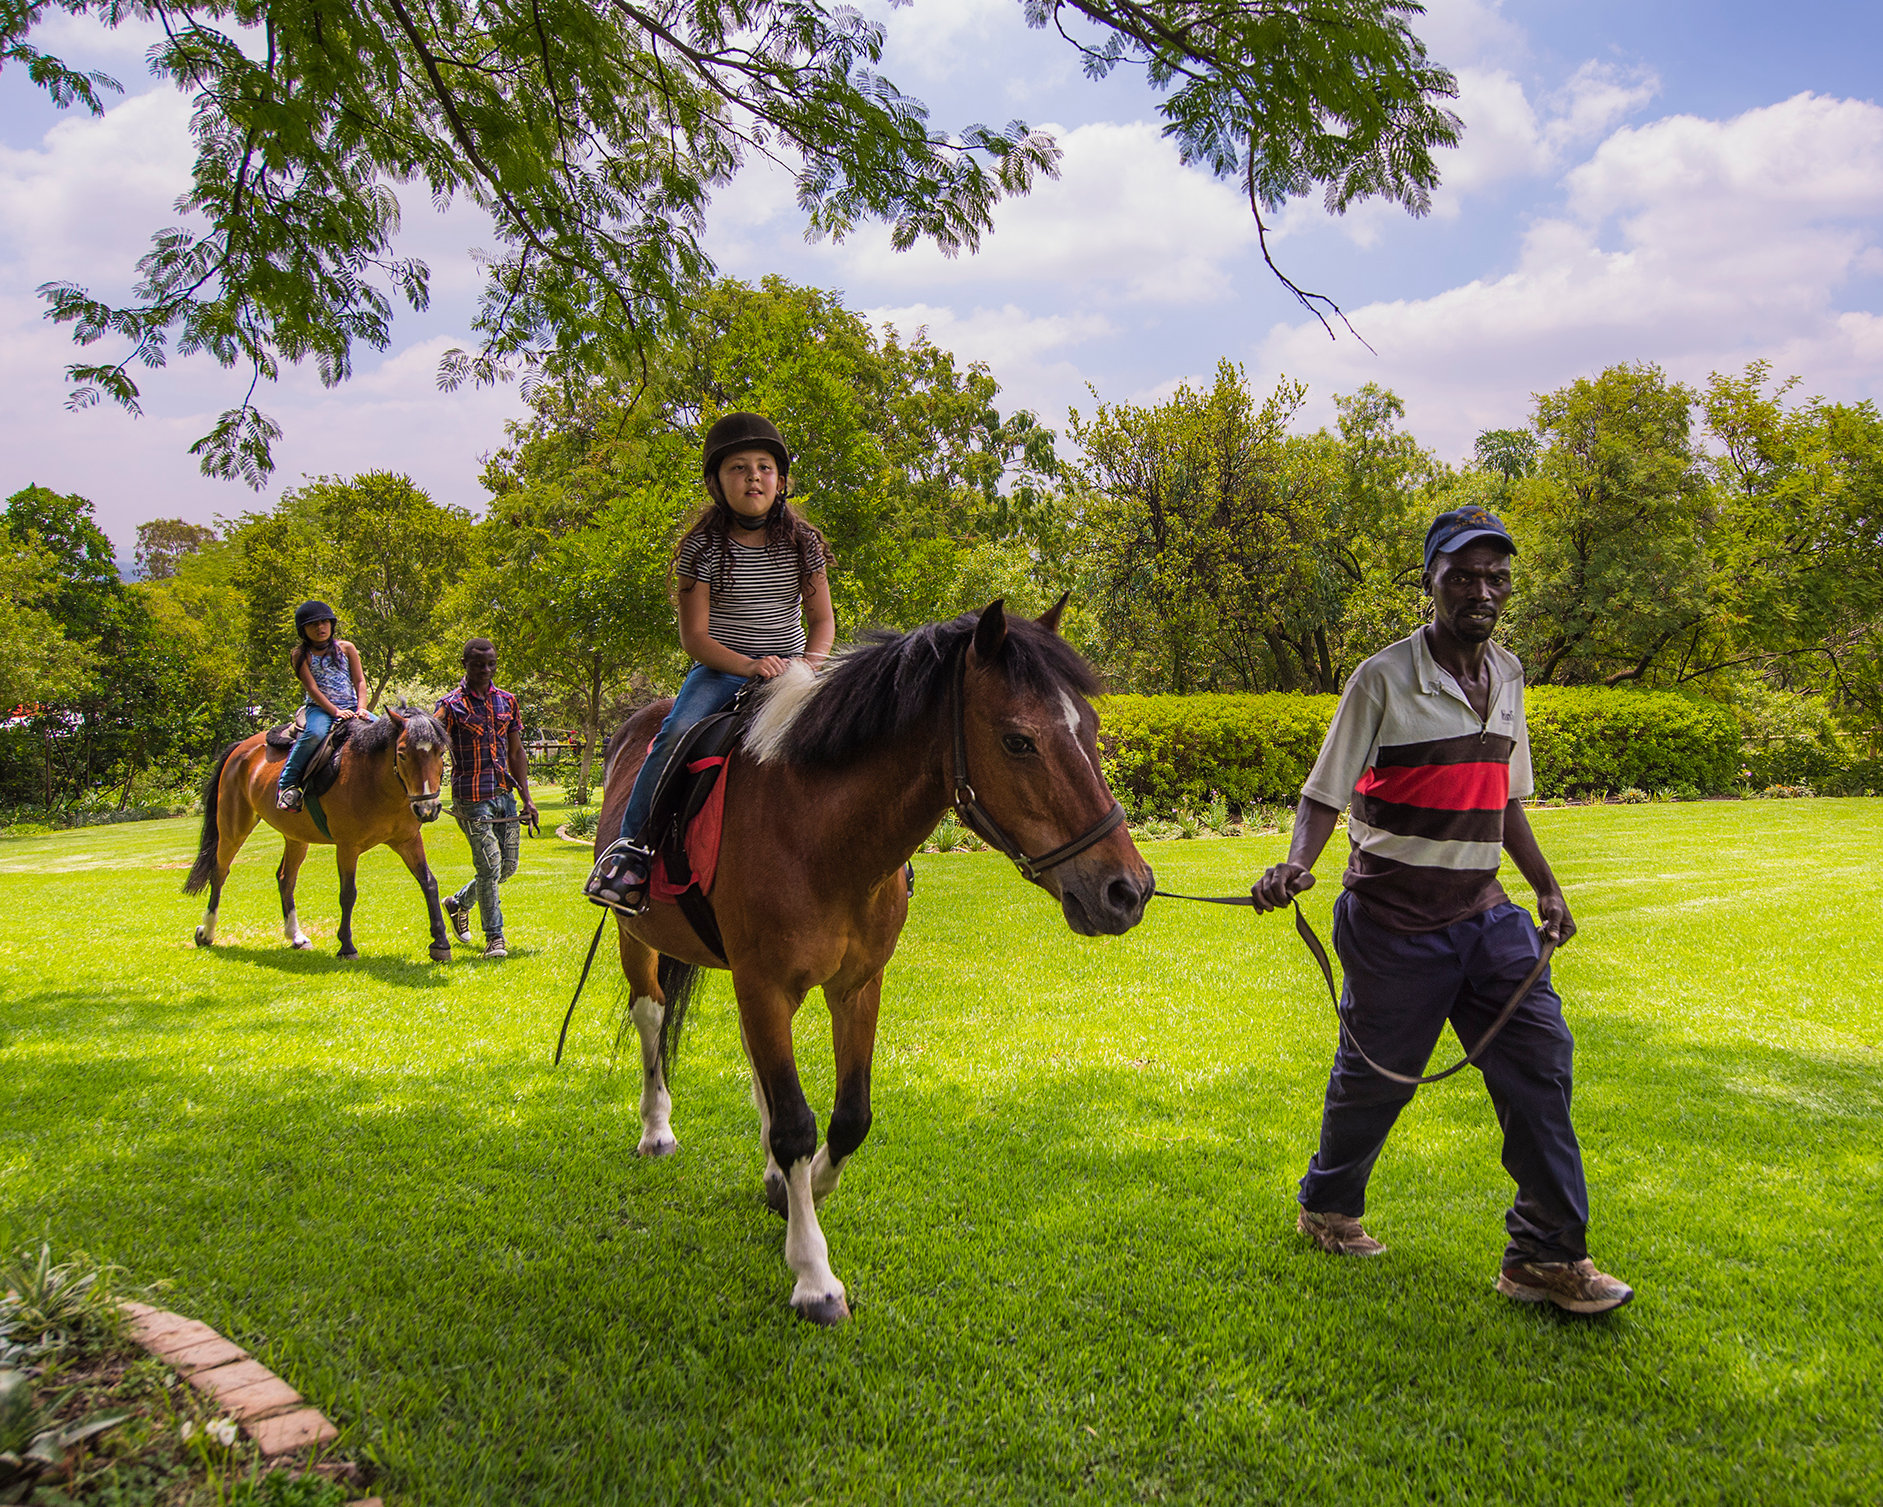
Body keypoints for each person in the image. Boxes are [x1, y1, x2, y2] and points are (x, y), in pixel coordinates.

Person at [1250, 505, 1634, 1315]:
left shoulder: (1511, 675)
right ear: (1429, 580)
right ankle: (1328, 1204)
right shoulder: (1381, 677)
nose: (1481, 590)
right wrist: (1294, 864)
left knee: (1540, 1060)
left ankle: (1543, 1254)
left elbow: (1506, 797)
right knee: (1375, 1079)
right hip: (1390, 917)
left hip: (1485, 914)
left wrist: (1546, 886)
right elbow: (1322, 794)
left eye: (1495, 576)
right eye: (1463, 574)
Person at [585, 412, 836, 913]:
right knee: (675, 733)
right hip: (723, 668)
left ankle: (882, 855)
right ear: (717, 483)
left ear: (780, 480)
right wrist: (748, 666)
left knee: (850, 730)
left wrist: (810, 664)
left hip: (793, 669)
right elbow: (694, 637)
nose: (753, 477)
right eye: (738, 468)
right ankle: (630, 850)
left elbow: (823, 619)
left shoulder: (802, 542)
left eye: (764, 467)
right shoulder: (702, 548)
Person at [436, 638, 539, 959]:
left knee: (507, 866)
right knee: (489, 865)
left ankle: (458, 903)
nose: (486, 670)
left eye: (491, 663)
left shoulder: (507, 701)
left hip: (504, 794)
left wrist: (527, 798)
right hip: (470, 797)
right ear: (464, 664)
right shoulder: (450, 706)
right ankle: (495, 938)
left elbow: (517, 750)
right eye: (479, 664)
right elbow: (428, 750)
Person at [278, 601, 372, 810]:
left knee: (385, 730)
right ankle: (287, 785)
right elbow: (312, 689)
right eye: (313, 625)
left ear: (331, 624)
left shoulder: (346, 648)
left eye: (324, 622)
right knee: (314, 735)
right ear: (303, 630)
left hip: (352, 706)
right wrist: (336, 712)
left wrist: (362, 708)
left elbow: (359, 681)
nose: (320, 628)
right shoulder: (300, 655)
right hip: (320, 709)